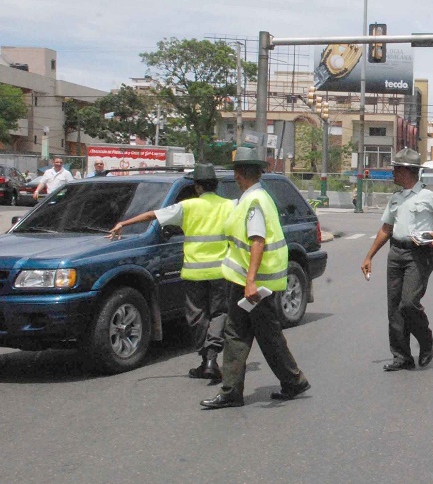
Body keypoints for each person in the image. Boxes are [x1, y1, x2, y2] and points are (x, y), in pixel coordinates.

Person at [201, 147, 309, 409]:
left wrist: (250, 281)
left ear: (239, 174)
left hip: (254, 283)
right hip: (249, 281)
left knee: (253, 334)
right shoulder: (254, 198)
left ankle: (285, 382)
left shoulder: (254, 201)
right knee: (244, 333)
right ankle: (241, 389)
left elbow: (257, 241)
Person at [108, 163, 234, 382]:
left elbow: (153, 215)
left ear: (197, 186)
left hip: (195, 273)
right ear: (215, 185)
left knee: (198, 316)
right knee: (219, 314)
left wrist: (124, 223)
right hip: (220, 271)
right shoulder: (229, 205)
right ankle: (211, 358)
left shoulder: (188, 206)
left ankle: (206, 359)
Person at [361, 148, 433, 371]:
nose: (393, 173)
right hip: (396, 253)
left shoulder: (430, 195)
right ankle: (402, 357)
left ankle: (425, 340)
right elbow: (386, 229)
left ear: (407, 171)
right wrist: (369, 256)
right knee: (394, 308)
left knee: (408, 303)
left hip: (419, 254)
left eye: (396, 169)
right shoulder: (396, 198)